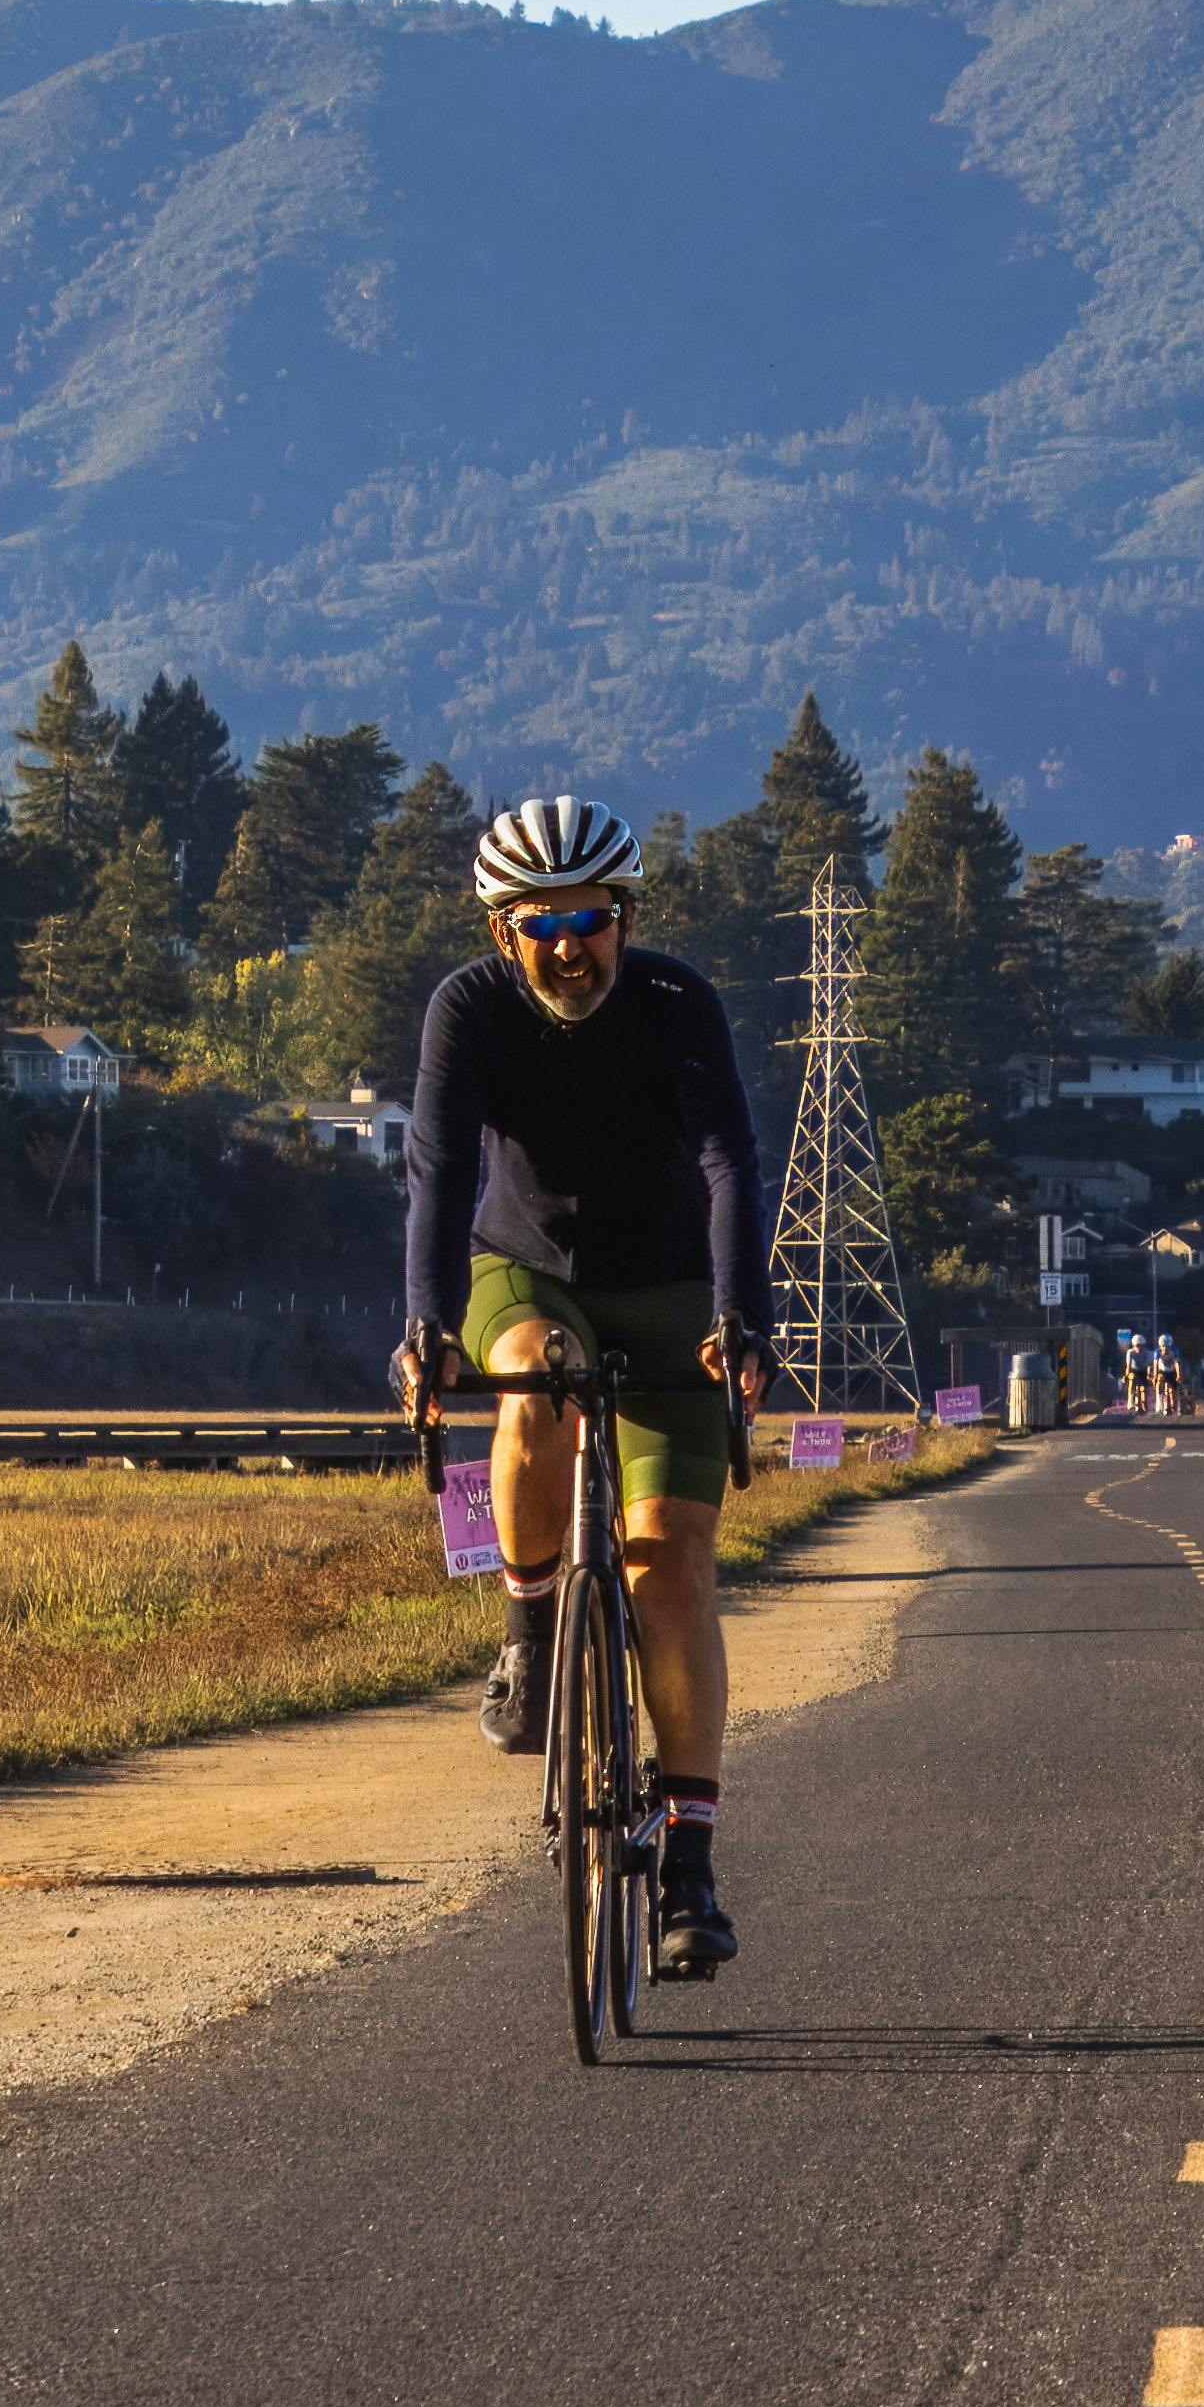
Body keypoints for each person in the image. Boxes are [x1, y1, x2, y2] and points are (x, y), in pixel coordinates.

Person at [394, 796, 771, 1972]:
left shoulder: (673, 1002)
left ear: (626, 913)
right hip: (529, 1276)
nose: (570, 945)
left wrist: (737, 1313)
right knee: (534, 1380)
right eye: (541, 921)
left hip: (667, 1288)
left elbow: (726, 1162)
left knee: (671, 1564)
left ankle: (692, 1868)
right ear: (504, 931)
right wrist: (422, 1316)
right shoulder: (468, 1007)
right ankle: (529, 1635)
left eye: (591, 916)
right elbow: (441, 1166)